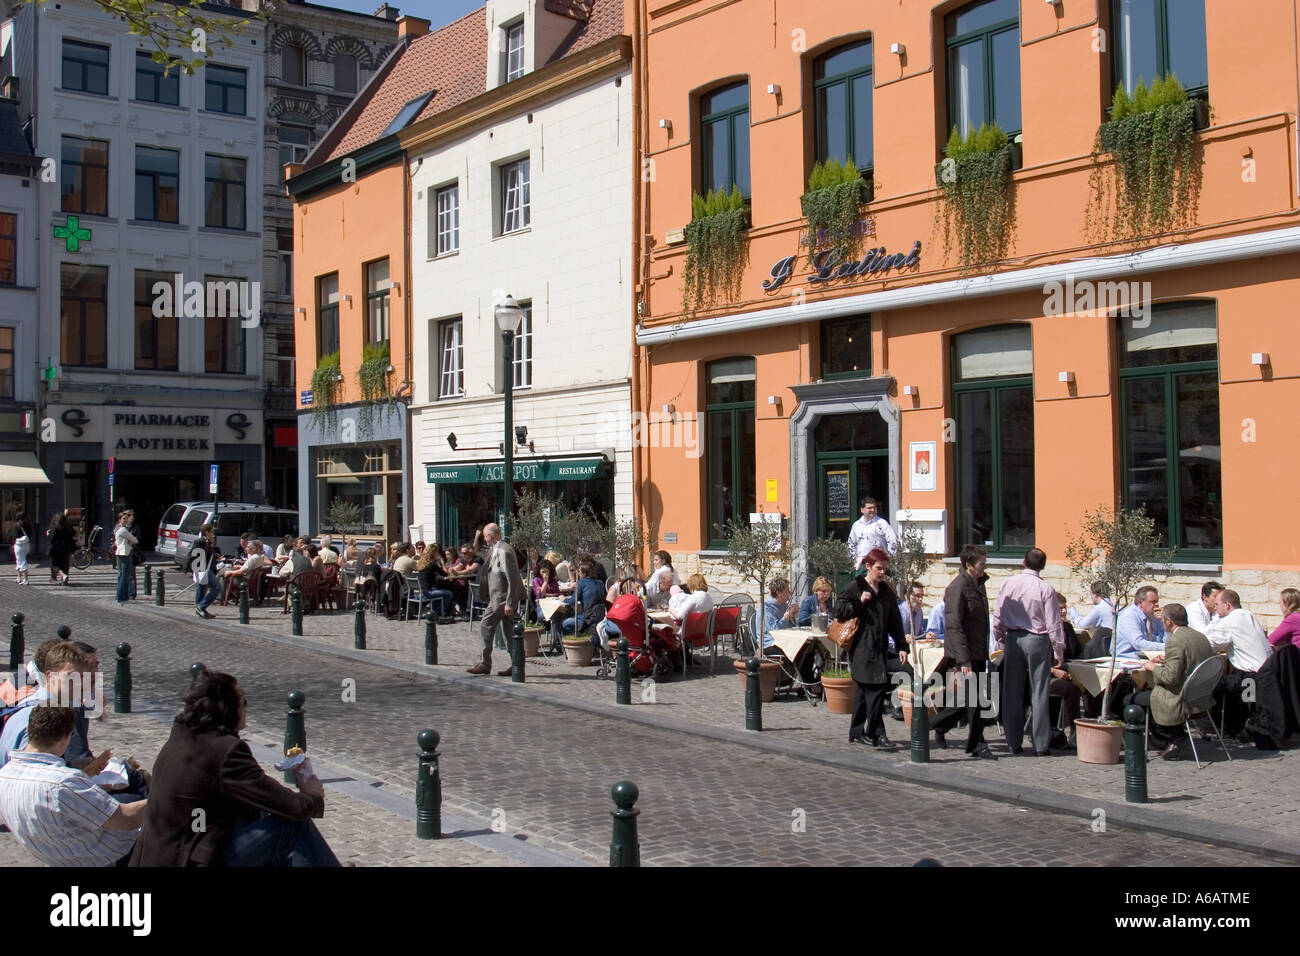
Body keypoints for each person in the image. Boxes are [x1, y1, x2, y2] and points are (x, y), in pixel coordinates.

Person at [129, 671, 338, 866]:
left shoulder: (183, 735)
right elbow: (293, 807)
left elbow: (266, 796)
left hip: (159, 856)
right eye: (243, 702)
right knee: (292, 826)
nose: (245, 709)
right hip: (187, 859)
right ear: (228, 709)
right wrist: (313, 795)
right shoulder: (225, 751)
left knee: (261, 813)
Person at [0, 706, 147, 867]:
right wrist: (167, 795)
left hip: (54, 852)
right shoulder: (63, 783)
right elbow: (126, 818)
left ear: (29, 730)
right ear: (65, 738)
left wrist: (83, 774)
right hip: (102, 855)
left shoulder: (4, 776)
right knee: (138, 785)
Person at [992, 548, 1065, 757]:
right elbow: (1053, 623)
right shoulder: (1045, 588)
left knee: (1012, 691)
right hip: (1037, 638)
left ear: (1024, 562)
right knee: (1039, 691)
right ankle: (1041, 744)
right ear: (1042, 566)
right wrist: (1058, 650)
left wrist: (999, 638)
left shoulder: (1009, 583)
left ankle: (1012, 741)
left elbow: (998, 615)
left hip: (1014, 637)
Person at [835, 549, 904, 749]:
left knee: (865, 692)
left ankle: (856, 732)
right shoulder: (854, 588)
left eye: (884, 568)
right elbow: (838, 612)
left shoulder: (886, 592)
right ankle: (877, 733)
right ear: (868, 567)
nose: (882, 572)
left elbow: (895, 621)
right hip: (861, 649)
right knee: (876, 689)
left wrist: (901, 645)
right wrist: (859, 602)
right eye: (878, 568)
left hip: (880, 648)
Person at [1128, 603, 1213, 759]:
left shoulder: (1175, 640)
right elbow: (1190, 660)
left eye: (1163, 620)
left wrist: (1152, 667)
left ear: (1168, 621)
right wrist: (1167, 660)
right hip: (1200, 695)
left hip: (1181, 696)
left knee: (1131, 699)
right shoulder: (1199, 636)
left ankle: (1168, 738)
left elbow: (1170, 678)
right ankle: (1173, 736)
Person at [934, 544, 996, 758]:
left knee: (970, 700)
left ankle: (937, 726)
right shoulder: (958, 587)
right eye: (981, 563)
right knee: (975, 700)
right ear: (969, 565)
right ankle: (977, 744)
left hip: (978, 651)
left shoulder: (978, 584)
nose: (985, 566)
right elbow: (954, 626)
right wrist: (963, 660)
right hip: (967, 654)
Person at [1205, 589, 1272, 736]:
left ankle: (1219, 727)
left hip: (1250, 678)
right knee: (1228, 680)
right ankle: (1235, 725)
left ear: (1227, 605)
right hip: (1266, 674)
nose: (1214, 608)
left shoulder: (1229, 621)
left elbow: (1209, 645)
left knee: (1211, 683)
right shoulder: (1248, 615)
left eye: (1217, 604)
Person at [467, 523, 525, 676]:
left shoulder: (503, 550)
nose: (484, 540)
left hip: (500, 600)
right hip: (498, 598)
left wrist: (509, 603)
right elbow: (477, 550)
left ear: (491, 535)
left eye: (485, 536)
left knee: (485, 626)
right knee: (508, 633)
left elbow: (512, 578)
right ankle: (516, 664)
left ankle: (485, 663)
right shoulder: (496, 548)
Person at [1113, 586, 1168, 659]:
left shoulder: (1153, 616)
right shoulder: (1129, 616)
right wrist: (1167, 646)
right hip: (1127, 657)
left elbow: (1163, 639)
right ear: (1140, 603)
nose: (1156, 605)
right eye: (1153, 602)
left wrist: (1165, 623)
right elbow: (1138, 644)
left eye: (1157, 601)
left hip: (1147, 656)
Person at [846, 497, 898, 568]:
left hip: (878, 563)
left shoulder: (882, 523)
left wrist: (888, 558)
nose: (872, 510)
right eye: (869, 508)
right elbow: (851, 543)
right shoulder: (856, 525)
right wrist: (854, 559)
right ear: (862, 510)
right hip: (861, 564)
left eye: (874, 507)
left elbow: (893, 540)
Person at [415, 544, 455, 621]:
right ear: (433, 553)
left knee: (438, 590)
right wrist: (442, 562)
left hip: (419, 593)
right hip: (427, 593)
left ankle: (434, 612)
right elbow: (445, 574)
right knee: (449, 593)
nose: (438, 554)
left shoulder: (421, 563)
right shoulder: (432, 564)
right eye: (437, 552)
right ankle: (437, 613)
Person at [188, 523, 220, 619]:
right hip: (202, 569)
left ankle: (200, 610)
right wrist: (188, 569)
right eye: (212, 532)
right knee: (216, 587)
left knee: (201, 589)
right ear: (207, 532)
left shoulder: (208, 542)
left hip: (206, 568)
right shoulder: (200, 542)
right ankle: (201, 606)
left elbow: (209, 554)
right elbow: (192, 555)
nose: (213, 534)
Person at [113, 510, 138, 604]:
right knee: (124, 576)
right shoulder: (123, 530)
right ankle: (121, 596)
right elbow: (134, 539)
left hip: (121, 552)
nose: (126, 520)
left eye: (127, 519)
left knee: (122, 575)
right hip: (124, 553)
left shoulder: (120, 529)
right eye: (124, 519)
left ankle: (122, 596)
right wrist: (131, 540)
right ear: (119, 520)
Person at [47, 513, 75, 584]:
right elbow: (74, 533)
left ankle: (63, 575)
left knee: (54, 564)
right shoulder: (68, 526)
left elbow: (52, 539)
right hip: (67, 548)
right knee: (65, 564)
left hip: (56, 548)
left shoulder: (55, 527)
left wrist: (48, 534)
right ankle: (64, 579)